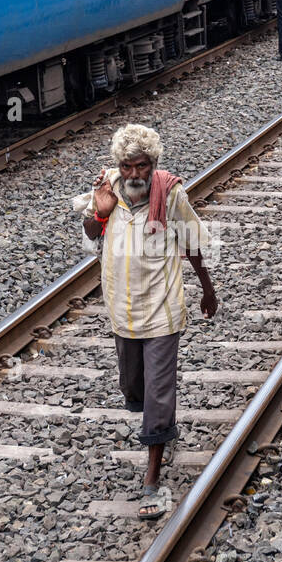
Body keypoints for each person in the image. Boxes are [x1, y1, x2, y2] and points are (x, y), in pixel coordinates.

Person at [82, 125, 217, 521]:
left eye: (142, 165)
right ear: (118, 166)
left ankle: (153, 481)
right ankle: (162, 427)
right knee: (135, 387)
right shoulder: (107, 188)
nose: (135, 174)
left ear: (153, 165)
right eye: (127, 166)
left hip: (161, 309)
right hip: (122, 310)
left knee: (158, 392)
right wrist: (98, 211)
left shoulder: (170, 193)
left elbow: (191, 242)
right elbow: (91, 234)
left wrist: (207, 289)